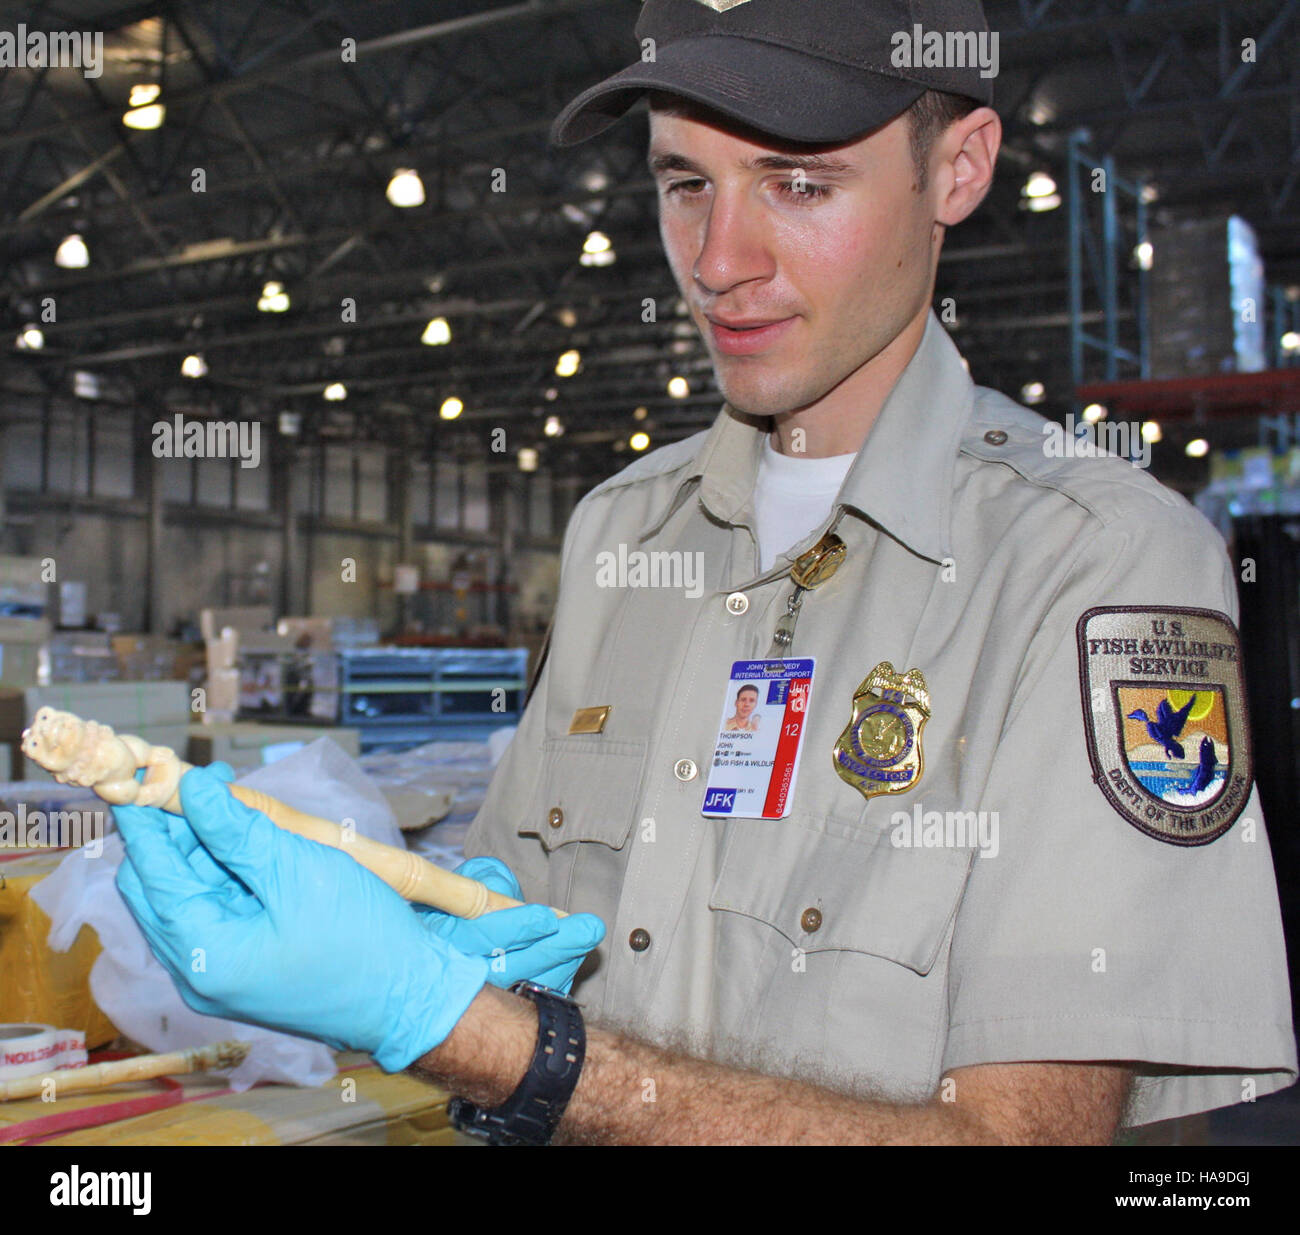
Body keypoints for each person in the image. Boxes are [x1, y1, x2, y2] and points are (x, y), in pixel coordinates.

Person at [114, 0, 1296, 1146]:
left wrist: (469, 1036)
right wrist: (406, 926)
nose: (717, 261)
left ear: (960, 168)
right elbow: (513, 923)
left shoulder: (1095, 563)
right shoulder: (618, 534)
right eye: (685, 184)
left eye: (796, 182)